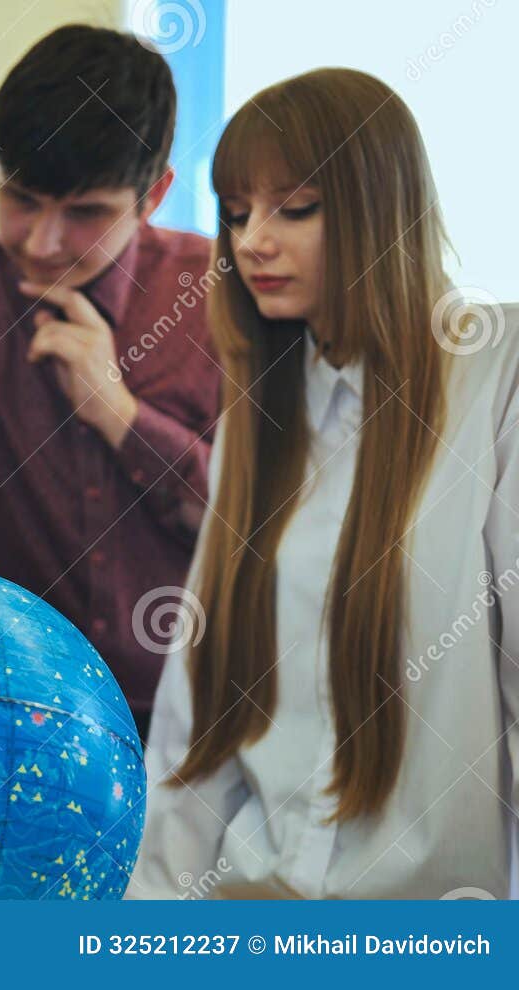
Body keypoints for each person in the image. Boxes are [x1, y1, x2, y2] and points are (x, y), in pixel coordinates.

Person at [130, 68, 519, 899]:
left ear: (380, 205)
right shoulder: (261, 412)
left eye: (293, 209)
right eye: (236, 215)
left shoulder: (495, 374)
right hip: (251, 919)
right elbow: (193, 722)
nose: (250, 243)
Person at [0, 25, 219, 741]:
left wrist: (120, 415)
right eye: (21, 198)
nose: (43, 240)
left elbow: (268, 527)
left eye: (85, 212)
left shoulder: (224, 301)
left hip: (206, 730)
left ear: (155, 194)